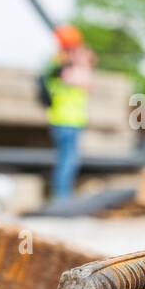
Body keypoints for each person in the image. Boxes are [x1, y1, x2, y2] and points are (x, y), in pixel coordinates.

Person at [43, 24, 93, 200]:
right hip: (66, 122)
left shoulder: (57, 65)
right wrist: (83, 61)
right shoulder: (64, 68)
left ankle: (62, 195)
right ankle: (62, 197)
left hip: (67, 121)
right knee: (68, 161)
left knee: (67, 160)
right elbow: (86, 83)